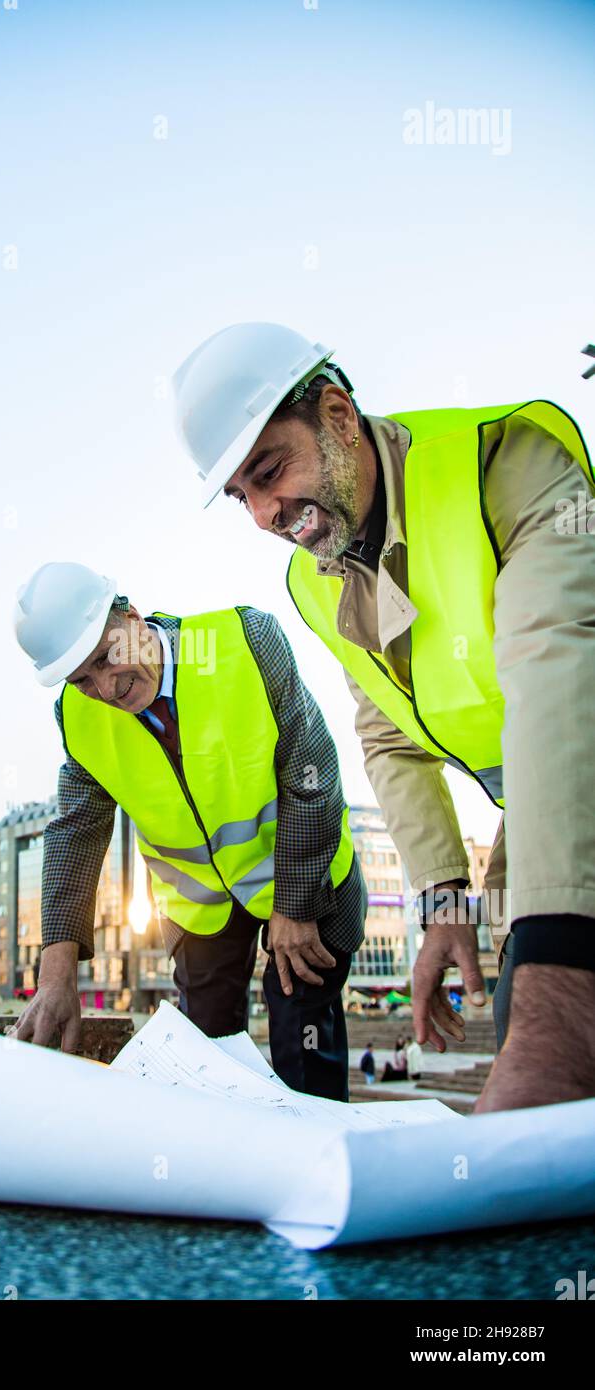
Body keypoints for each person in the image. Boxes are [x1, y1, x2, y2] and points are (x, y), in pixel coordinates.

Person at [172, 321, 595, 1114]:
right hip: (532, 788)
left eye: (269, 472)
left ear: (336, 415)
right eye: (241, 497)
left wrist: (565, 986)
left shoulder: (504, 466)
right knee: (517, 1012)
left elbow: (559, 674)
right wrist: (442, 902)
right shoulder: (318, 584)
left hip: (582, 742)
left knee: (556, 1008)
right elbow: (389, 735)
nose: (264, 515)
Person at [11, 561, 367, 1100]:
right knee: (206, 1059)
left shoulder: (245, 643)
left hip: (301, 880)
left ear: (131, 617)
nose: (107, 688)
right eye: (82, 679)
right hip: (200, 911)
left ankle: (325, 1165)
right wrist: (56, 973)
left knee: (302, 1031)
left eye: (109, 657)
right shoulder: (78, 718)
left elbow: (310, 774)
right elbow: (76, 831)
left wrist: (294, 907)